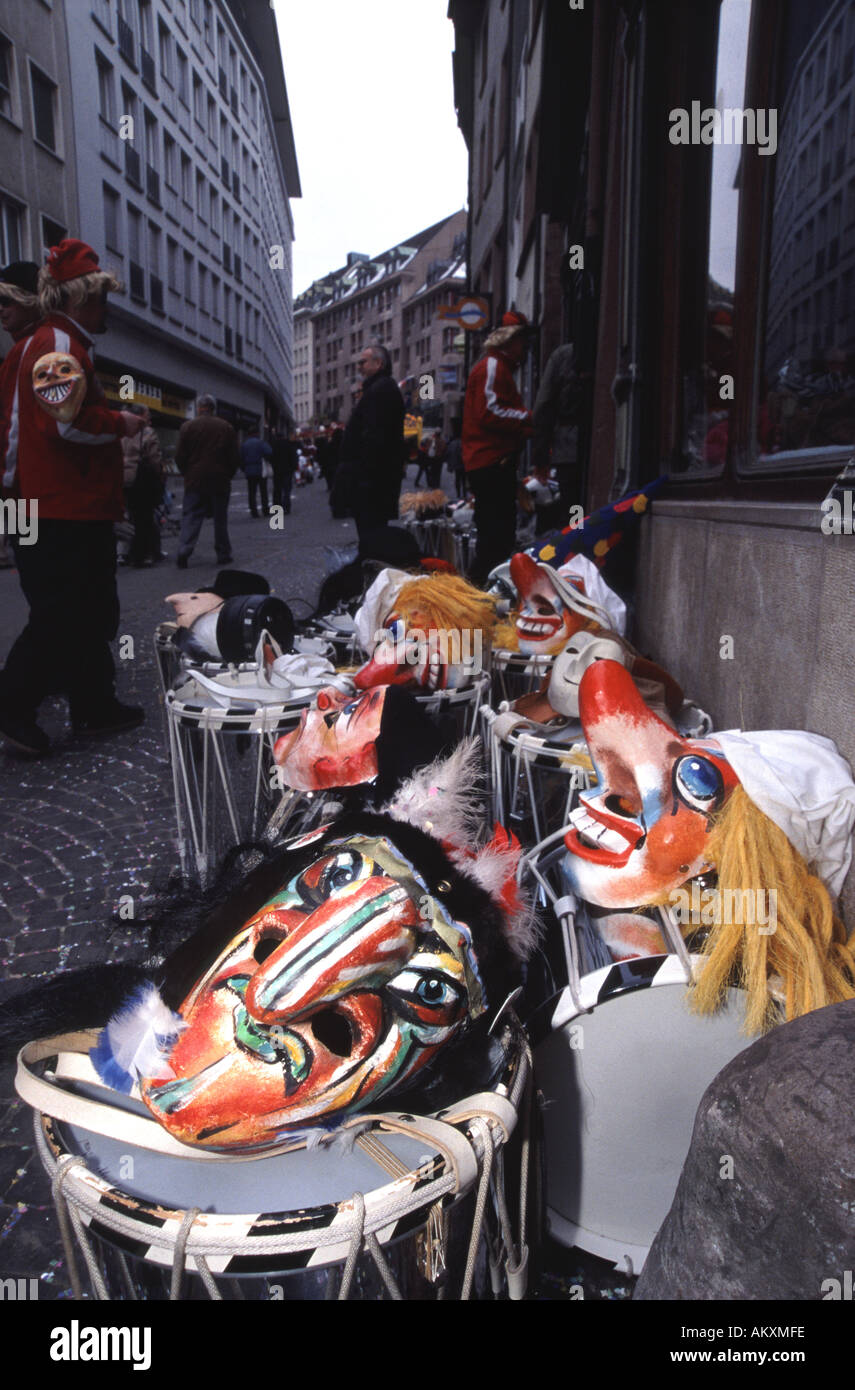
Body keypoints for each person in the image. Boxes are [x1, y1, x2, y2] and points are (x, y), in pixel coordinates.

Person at [0, 238, 144, 754]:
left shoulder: (42, 345)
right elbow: (67, 427)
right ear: (83, 298)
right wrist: (122, 422)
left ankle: (93, 706)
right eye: (102, 298)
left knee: (80, 612)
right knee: (66, 614)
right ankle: (14, 705)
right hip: (65, 506)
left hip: (51, 505)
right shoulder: (59, 345)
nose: (107, 309)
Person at [462, 309, 534, 584]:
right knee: (495, 538)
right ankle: (476, 592)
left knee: (497, 536)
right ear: (510, 340)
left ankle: (482, 592)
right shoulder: (493, 365)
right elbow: (489, 411)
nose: (525, 348)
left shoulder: (498, 366)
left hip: (490, 463)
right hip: (490, 463)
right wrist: (528, 418)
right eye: (522, 341)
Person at [334, 344, 405, 536]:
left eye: (363, 362)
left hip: (372, 482)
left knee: (371, 533)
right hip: (372, 479)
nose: (359, 366)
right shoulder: (378, 388)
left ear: (378, 363)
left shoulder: (381, 390)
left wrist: (361, 475)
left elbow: (375, 437)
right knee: (371, 532)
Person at [0, 261, 43, 569]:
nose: (2, 310)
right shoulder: (27, 346)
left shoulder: (26, 350)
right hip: (28, 490)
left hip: (23, 493)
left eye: (7, 301)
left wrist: (5, 489)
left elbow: (12, 427)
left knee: (32, 567)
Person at [174, 394, 239, 569]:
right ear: (213, 408)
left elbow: (180, 456)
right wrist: (228, 473)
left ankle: (184, 550)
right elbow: (233, 457)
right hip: (219, 479)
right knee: (220, 519)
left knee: (191, 516)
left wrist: (186, 472)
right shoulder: (226, 427)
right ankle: (223, 553)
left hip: (195, 478)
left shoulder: (187, 427)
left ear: (198, 407)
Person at [532, 342, 584, 523]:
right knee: (580, 504)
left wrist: (541, 456)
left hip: (569, 446)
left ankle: (575, 542)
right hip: (590, 445)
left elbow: (543, 406)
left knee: (573, 505)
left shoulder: (562, 355)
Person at [123, 404, 165, 566]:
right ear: (140, 416)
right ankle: (144, 554)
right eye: (148, 415)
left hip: (122, 478)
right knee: (145, 517)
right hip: (141, 479)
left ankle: (130, 553)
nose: (150, 419)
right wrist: (160, 476)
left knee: (131, 516)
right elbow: (154, 459)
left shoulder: (121, 432)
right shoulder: (146, 432)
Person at [240, 428, 272, 517]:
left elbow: (240, 458)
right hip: (260, 469)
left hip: (249, 470)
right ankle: (265, 509)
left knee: (251, 492)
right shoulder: (260, 443)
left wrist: (244, 468)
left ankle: (253, 511)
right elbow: (269, 451)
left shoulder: (244, 444)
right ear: (256, 433)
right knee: (263, 491)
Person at [269, 429, 296, 514]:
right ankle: (286, 507)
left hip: (277, 470)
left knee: (277, 490)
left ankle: (276, 508)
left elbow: (271, 457)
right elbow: (293, 457)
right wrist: (293, 468)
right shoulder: (288, 444)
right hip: (287, 470)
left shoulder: (273, 445)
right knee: (286, 490)